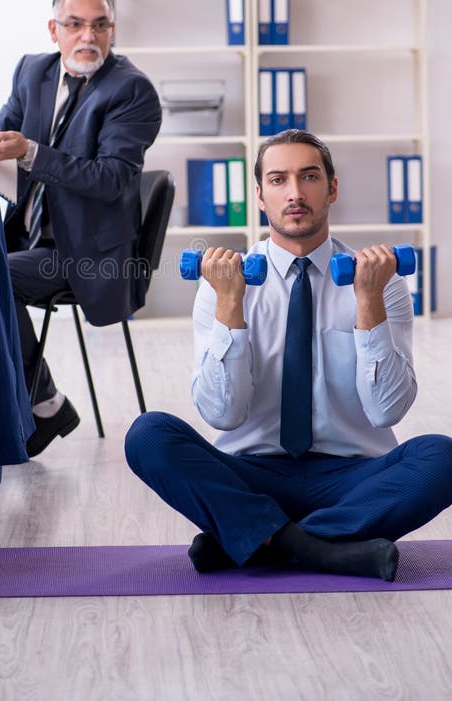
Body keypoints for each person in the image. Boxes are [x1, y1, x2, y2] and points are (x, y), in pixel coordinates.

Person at [125, 129, 452, 582]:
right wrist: (230, 305)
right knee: (149, 435)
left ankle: (251, 538)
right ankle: (323, 550)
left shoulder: (381, 281)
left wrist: (367, 303)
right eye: (278, 180)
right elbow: (222, 415)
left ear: (332, 188)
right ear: (259, 195)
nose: (294, 193)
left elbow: (386, 411)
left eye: (309, 177)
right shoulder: (222, 284)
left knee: (442, 457)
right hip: (252, 473)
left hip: (353, 477)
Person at [0, 0, 162, 458]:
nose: (87, 37)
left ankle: (39, 406)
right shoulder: (32, 71)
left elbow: (113, 178)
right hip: (30, 236)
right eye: (75, 25)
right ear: (54, 30)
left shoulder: (131, 90)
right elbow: (6, 139)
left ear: (113, 30)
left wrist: (30, 152)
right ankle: (18, 404)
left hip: (89, 255)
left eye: (99, 25)